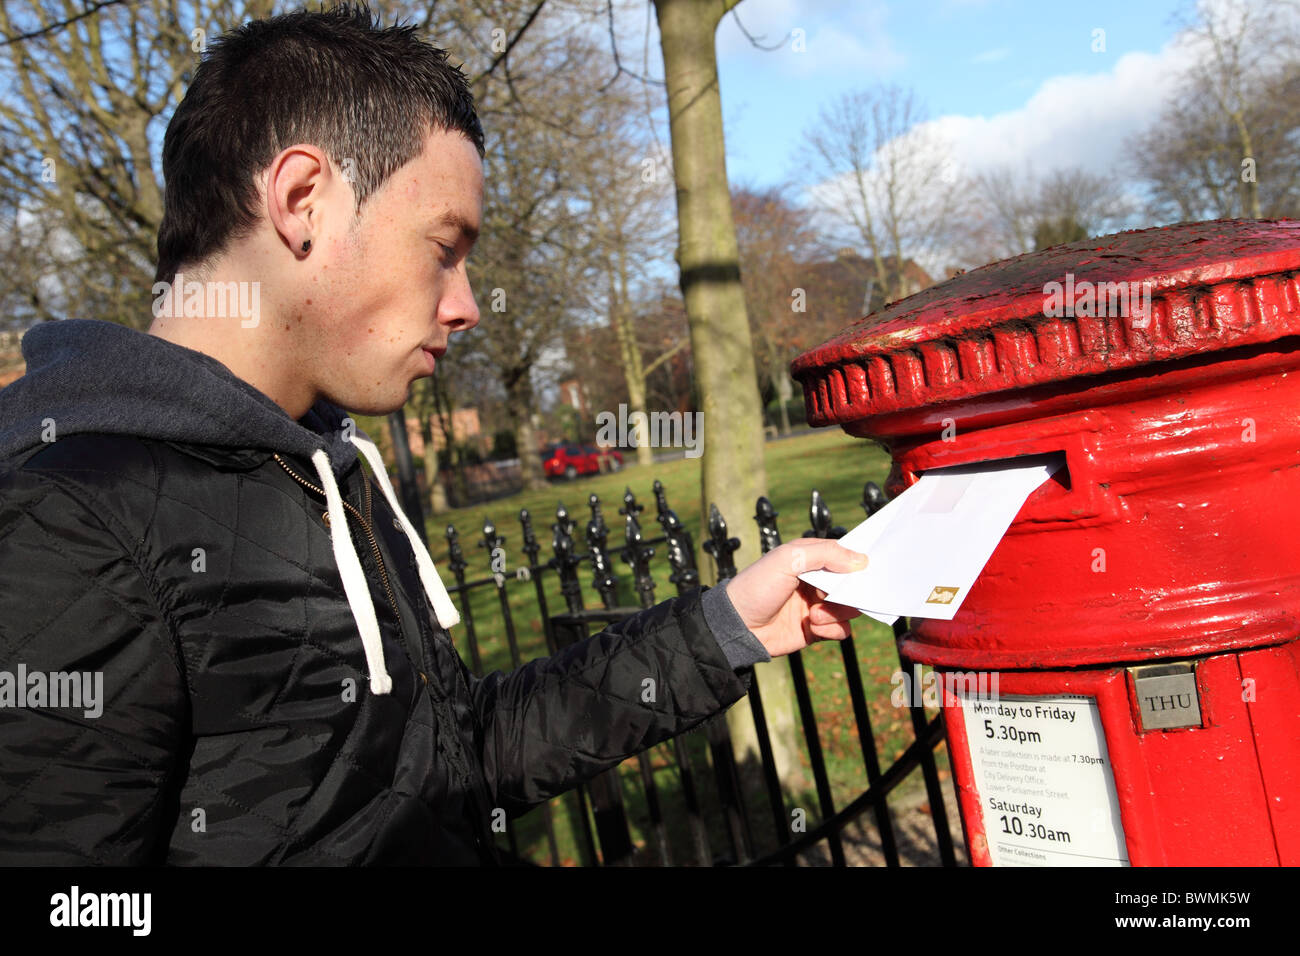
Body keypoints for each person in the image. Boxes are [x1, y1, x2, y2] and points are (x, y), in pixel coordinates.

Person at [0, 3, 866, 865]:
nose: (466, 305)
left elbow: (458, 758)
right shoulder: (64, 521)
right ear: (303, 202)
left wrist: (721, 627)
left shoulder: (329, 473)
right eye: (444, 247)